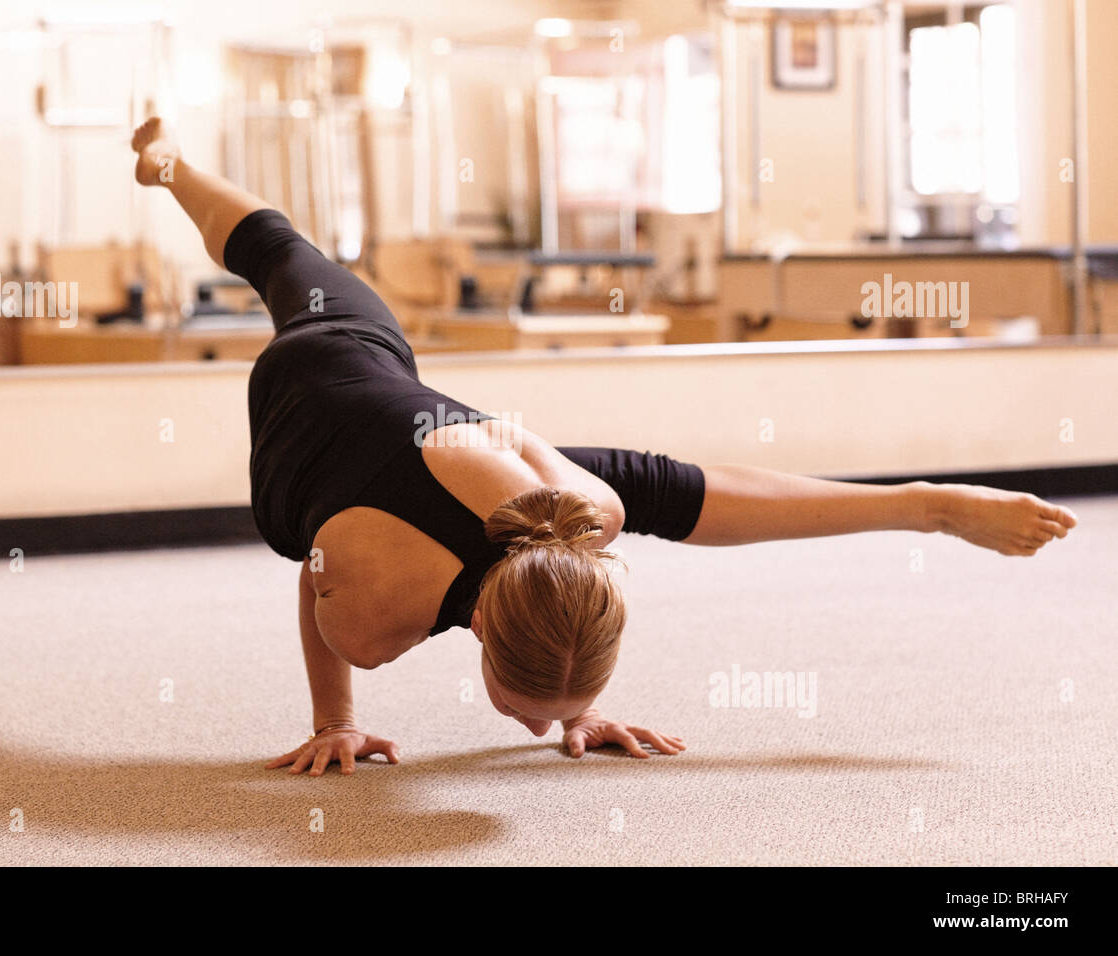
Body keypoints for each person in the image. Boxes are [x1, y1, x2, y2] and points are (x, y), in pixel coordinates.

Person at [131, 118, 1078, 777]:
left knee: (679, 499)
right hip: (315, 386)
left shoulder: (581, 512)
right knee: (278, 251)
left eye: (550, 713)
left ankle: (927, 497)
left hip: (430, 428)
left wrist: (925, 506)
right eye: (537, 709)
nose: (542, 728)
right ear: (485, 636)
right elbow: (316, 571)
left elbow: (726, 496)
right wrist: (337, 719)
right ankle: (167, 163)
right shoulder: (378, 614)